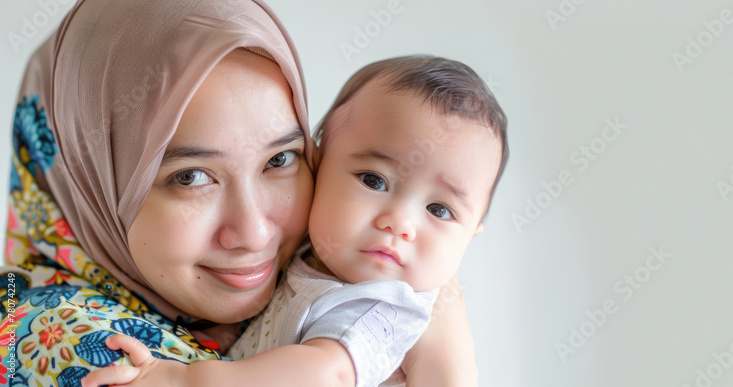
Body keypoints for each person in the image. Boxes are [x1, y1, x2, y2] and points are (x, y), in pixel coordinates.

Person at [2, 1, 475, 386]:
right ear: (88, 179)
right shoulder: (66, 347)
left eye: (280, 159)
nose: (252, 233)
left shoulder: (331, 269)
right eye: (190, 177)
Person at [82, 55, 507, 387]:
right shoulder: (310, 256)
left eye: (439, 210)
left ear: (470, 235)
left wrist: (187, 377)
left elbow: (324, 374)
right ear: (317, 164)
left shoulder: (378, 308)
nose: (399, 223)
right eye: (374, 180)